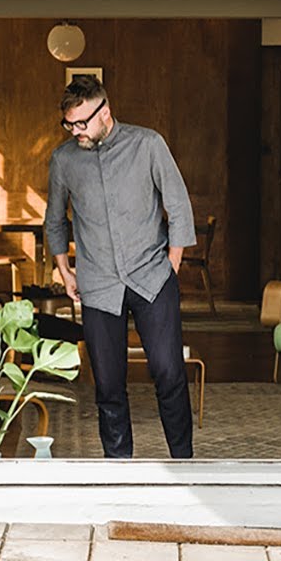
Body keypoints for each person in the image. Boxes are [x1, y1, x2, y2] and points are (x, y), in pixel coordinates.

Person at [45, 77, 196, 459]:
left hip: (152, 278)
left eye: (81, 123)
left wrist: (172, 264)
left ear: (105, 113)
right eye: (69, 124)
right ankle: (119, 469)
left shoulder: (148, 145)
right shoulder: (64, 160)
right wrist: (64, 269)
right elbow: (55, 219)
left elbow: (178, 205)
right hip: (98, 285)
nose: (75, 131)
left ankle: (184, 461)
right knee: (108, 386)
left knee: (169, 374)